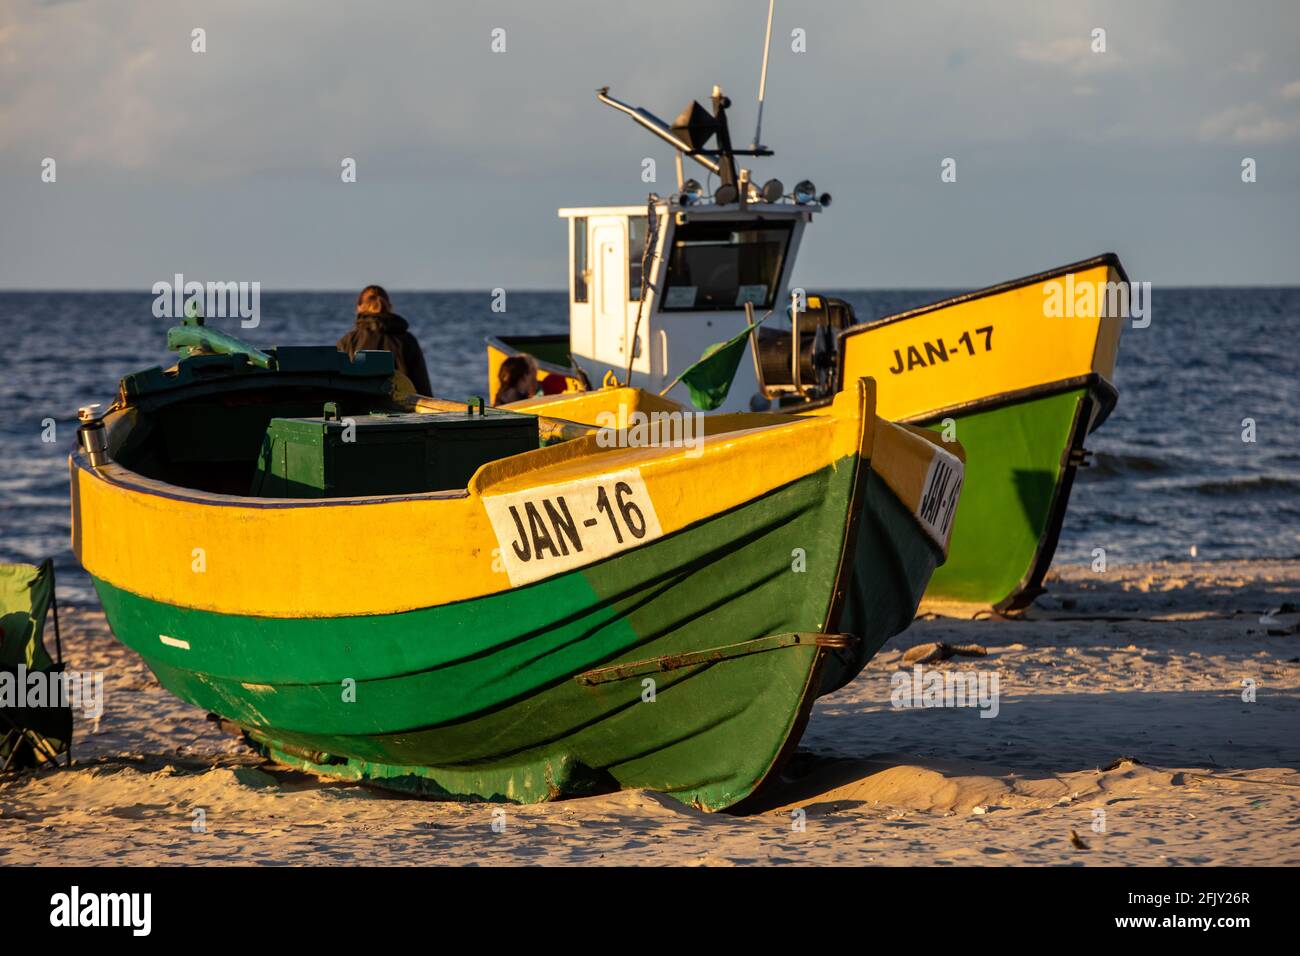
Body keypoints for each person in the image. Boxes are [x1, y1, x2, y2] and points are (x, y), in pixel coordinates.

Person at [336, 285, 433, 396]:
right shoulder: (408, 340)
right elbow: (423, 387)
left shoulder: (348, 341)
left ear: (359, 307)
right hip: (403, 405)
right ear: (390, 306)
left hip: (360, 406)